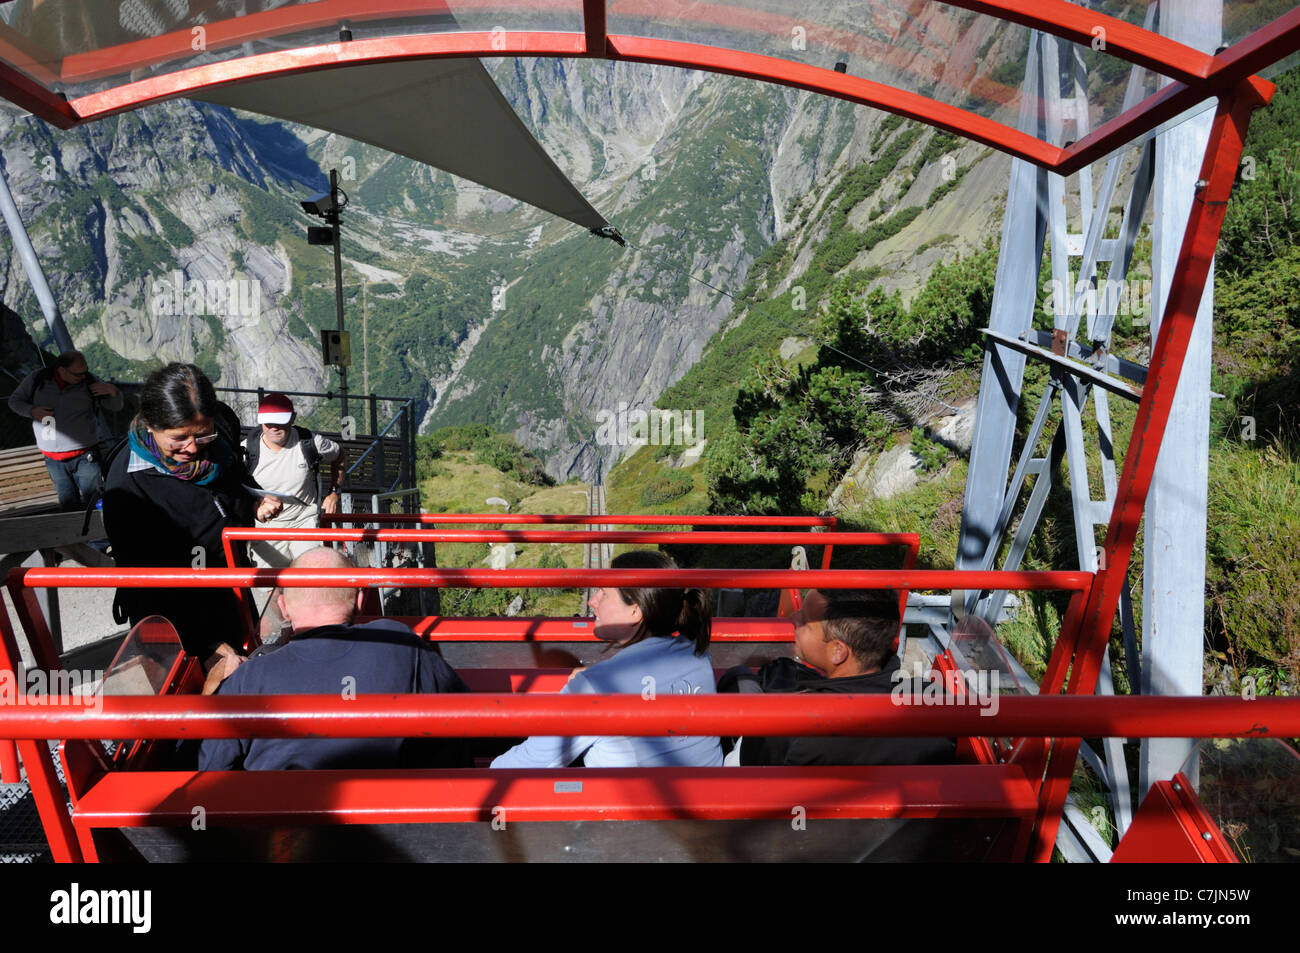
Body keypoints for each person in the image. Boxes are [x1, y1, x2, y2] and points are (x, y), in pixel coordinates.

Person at [198, 547, 469, 771]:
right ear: (361, 600)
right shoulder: (400, 642)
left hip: (281, 828)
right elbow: (466, 717)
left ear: (283, 608)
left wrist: (212, 692)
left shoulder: (247, 678)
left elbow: (208, 766)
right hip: (400, 824)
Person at [102, 362, 281, 664]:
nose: (193, 448)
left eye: (202, 435)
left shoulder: (218, 438)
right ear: (150, 425)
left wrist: (254, 500)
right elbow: (142, 583)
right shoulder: (128, 486)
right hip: (177, 618)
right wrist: (206, 643)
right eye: (179, 438)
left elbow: (235, 477)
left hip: (231, 591)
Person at [491, 550, 722, 769]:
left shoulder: (596, 687)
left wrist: (586, 688)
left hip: (626, 808)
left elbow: (526, 765)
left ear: (635, 612)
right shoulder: (697, 656)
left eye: (604, 593)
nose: (593, 601)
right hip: (705, 802)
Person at [732, 588, 956, 766]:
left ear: (838, 651)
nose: (793, 617)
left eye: (805, 621)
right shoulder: (935, 701)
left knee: (738, 678)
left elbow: (742, 770)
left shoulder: (794, 728)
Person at [6, 350, 123, 510]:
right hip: (53, 460)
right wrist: (32, 411)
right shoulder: (37, 380)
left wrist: (113, 392)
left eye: (85, 371)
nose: (83, 376)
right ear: (62, 370)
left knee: (96, 502)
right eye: (78, 374)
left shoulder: (89, 382)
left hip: (86, 457)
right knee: (68, 505)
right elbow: (15, 401)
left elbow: (115, 407)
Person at [243, 391, 345, 568]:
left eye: (280, 421)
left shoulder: (310, 442)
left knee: (310, 578)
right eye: (268, 422)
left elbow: (339, 455)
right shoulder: (246, 450)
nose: (274, 427)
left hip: (304, 520)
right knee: (272, 587)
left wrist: (334, 493)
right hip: (267, 527)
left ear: (293, 418)